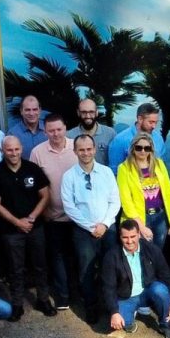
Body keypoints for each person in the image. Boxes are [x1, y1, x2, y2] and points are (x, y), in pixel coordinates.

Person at [0, 134, 52, 319]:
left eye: (16, 149)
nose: (13, 153)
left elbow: (45, 195)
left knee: (40, 265)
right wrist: (17, 222)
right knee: (15, 268)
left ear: (21, 149)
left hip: (35, 227)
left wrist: (31, 218)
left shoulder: (32, 169)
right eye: (9, 150)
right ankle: (17, 304)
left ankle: (43, 299)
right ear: (2, 151)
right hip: (10, 230)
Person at [62, 134, 120, 325]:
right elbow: (69, 206)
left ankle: (111, 307)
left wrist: (104, 224)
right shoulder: (69, 176)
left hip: (107, 228)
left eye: (89, 149)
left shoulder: (106, 172)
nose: (86, 153)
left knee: (110, 268)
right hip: (82, 231)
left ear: (94, 149)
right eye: (81, 149)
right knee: (86, 271)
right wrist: (90, 226)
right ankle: (92, 308)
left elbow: (115, 201)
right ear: (75, 151)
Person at [28, 116, 78, 311]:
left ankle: (77, 293)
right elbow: (34, 186)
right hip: (52, 216)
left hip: (78, 218)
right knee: (57, 257)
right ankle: (63, 296)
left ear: (65, 128)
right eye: (51, 130)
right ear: (45, 132)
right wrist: (42, 211)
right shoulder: (37, 153)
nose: (55, 134)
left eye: (59, 129)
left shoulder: (77, 147)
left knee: (75, 257)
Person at [100, 217, 170, 338]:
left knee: (161, 290)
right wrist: (114, 312)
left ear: (139, 235)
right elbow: (108, 287)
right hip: (127, 296)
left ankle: (165, 324)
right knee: (123, 323)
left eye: (133, 237)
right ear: (120, 237)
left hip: (148, 290)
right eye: (125, 237)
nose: (129, 241)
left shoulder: (152, 249)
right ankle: (131, 317)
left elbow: (165, 275)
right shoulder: (111, 256)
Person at [116, 132, 170, 246]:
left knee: (157, 254)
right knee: (141, 254)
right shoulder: (124, 168)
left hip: (160, 216)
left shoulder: (159, 164)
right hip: (138, 218)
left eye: (147, 148)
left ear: (151, 149)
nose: (143, 151)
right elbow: (126, 201)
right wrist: (141, 227)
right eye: (139, 148)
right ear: (133, 148)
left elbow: (168, 191)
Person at [106, 101, 163, 172]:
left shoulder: (158, 139)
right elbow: (114, 172)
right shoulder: (120, 140)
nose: (154, 126)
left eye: (156, 122)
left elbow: (161, 168)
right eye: (151, 122)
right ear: (140, 119)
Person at [67, 97, 116, 163]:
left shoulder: (110, 133)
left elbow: (114, 161)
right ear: (78, 113)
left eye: (91, 112)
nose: (88, 116)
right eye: (84, 112)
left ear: (97, 112)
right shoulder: (70, 136)